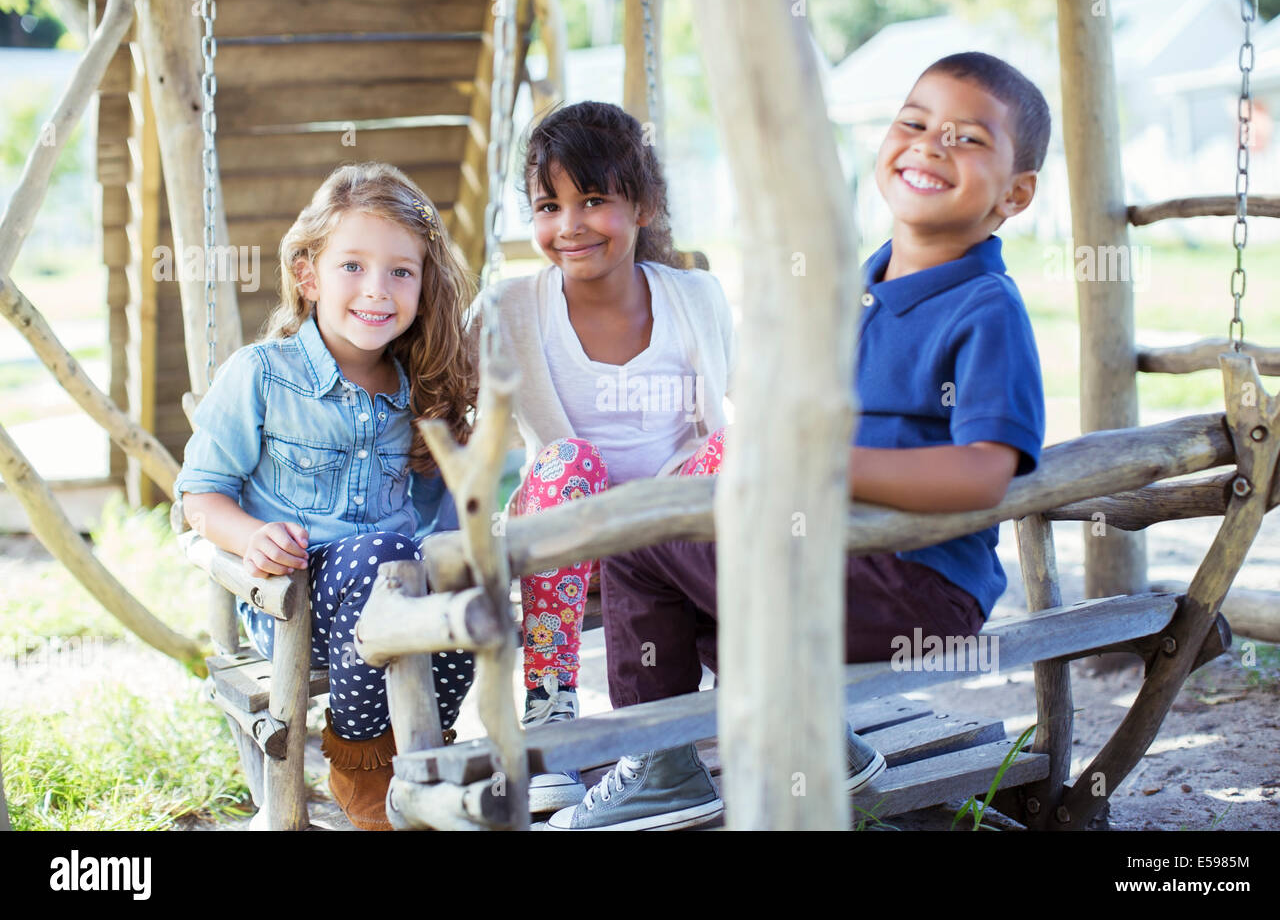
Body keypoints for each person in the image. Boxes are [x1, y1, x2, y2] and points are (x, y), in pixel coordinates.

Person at [547, 51, 1051, 830]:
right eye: (914, 123)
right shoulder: (866, 288)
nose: (928, 146)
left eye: (967, 139)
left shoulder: (985, 310)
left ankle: (660, 765)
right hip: (842, 562)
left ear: (1016, 194)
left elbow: (985, 475)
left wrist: (822, 465)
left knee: (642, 534)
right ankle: (817, 742)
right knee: (689, 585)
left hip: (916, 587)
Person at [173, 162, 478, 830]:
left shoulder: (419, 387)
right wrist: (251, 536)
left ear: (425, 286)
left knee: (459, 583)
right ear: (308, 275)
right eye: (353, 267)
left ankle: (424, 753)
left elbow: (442, 515)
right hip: (297, 606)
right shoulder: (261, 375)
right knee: (381, 557)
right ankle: (363, 767)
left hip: (398, 590)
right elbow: (199, 496)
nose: (377, 290)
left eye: (402, 271)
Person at [475, 101, 734, 814]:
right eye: (548, 205)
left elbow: (740, 411)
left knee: (738, 448)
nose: (569, 226)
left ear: (644, 204)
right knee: (568, 459)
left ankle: (754, 679)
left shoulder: (695, 298)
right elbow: (463, 426)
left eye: (593, 200)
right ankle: (552, 706)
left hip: (671, 524)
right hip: (568, 523)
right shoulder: (510, 309)